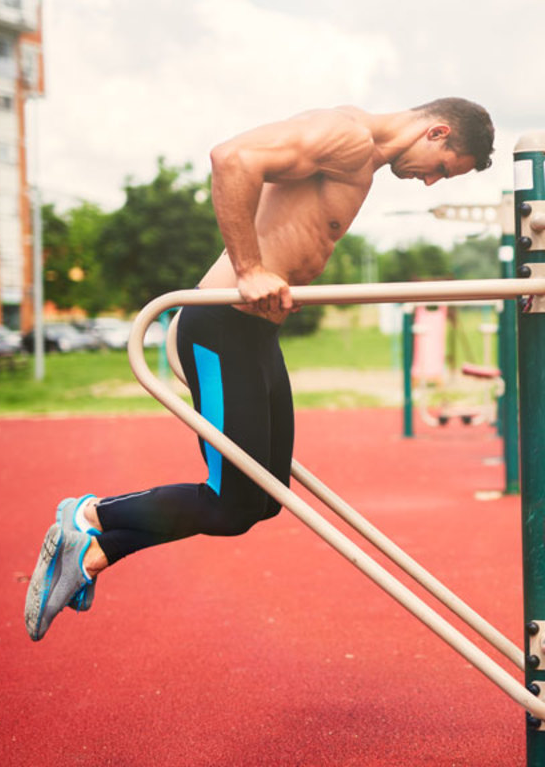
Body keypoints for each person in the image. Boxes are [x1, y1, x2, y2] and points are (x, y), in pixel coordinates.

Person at [25, 98, 495, 641]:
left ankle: (93, 550)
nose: (431, 182)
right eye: (441, 168)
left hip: (255, 334)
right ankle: (90, 516)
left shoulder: (362, 159)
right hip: (220, 326)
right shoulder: (347, 138)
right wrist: (248, 269)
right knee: (230, 502)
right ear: (436, 132)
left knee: (265, 500)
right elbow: (231, 159)